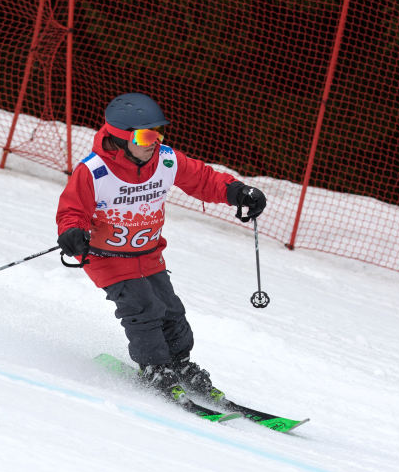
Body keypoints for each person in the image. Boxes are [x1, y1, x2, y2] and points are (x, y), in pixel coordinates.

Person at [56, 93, 267, 403]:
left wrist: (237, 192)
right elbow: (71, 211)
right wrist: (73, 233)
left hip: (148, 254)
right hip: (106, 256)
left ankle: (180, 364)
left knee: (170, 310)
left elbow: (203, 179)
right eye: (145, 135)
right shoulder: (94, 170)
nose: (153, 141)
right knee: (142, 307)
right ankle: (155, 367)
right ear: (121, 136)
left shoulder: (166, 160)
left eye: (157, 133)